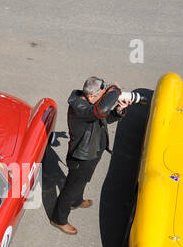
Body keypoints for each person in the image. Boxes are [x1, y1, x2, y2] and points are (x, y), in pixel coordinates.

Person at [51, 76, 130, 233]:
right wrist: (115, 90)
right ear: (91, 96)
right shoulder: (81, 108)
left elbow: (104, 119)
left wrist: (118, 110)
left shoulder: (91, 105)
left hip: (93, 151)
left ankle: (77, 201)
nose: (104, 97)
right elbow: (101, 111)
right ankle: (58, 219)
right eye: (103, 94)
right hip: (82, 157)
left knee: (83, 180)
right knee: (71, 188)